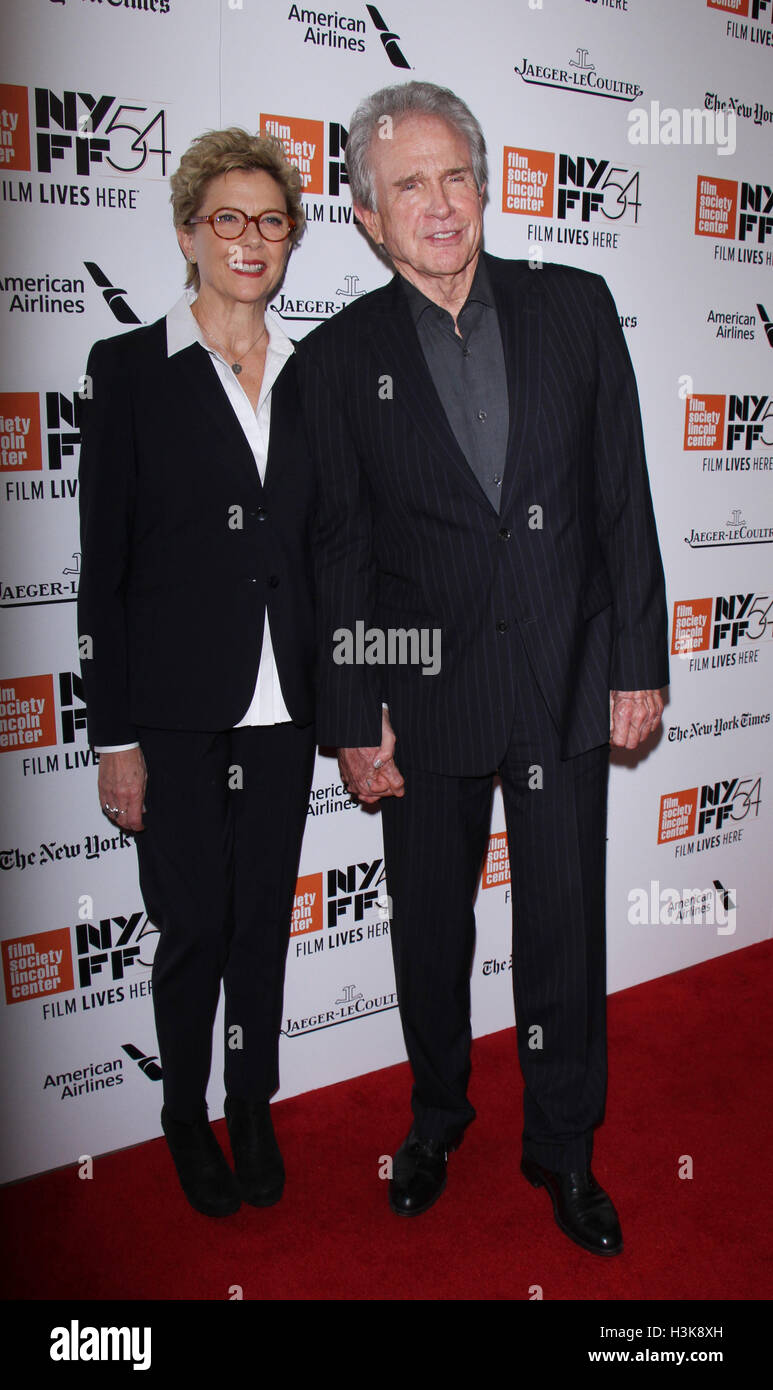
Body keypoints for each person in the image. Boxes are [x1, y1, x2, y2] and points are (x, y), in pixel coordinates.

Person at [297, 82, 668, 1256]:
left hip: (564, 680)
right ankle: (435, 1118)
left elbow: (622, 497)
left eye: (454, 174)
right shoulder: (337, 360)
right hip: (428, 702)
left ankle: (563, 1148)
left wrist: (634, 657)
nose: (439, 203)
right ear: (366, 214)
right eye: (407, 185)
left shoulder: (576, 307)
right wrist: (357, 712)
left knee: (563, 926)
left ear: (484, 181)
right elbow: (340, 558)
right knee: (430, 933)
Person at [78, 128, 318, 1217]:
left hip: (284, 708)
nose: (249, 238)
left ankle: (253, 1101)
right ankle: (184, 1113)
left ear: (289, 238)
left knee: (260, 919)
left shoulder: (312, 376)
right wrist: (112, 733)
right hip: (174, 714)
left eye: (269, 219)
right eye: (226, 217)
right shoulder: (130, 369)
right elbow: (104, 567)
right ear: (187, 233)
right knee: (197, 927)